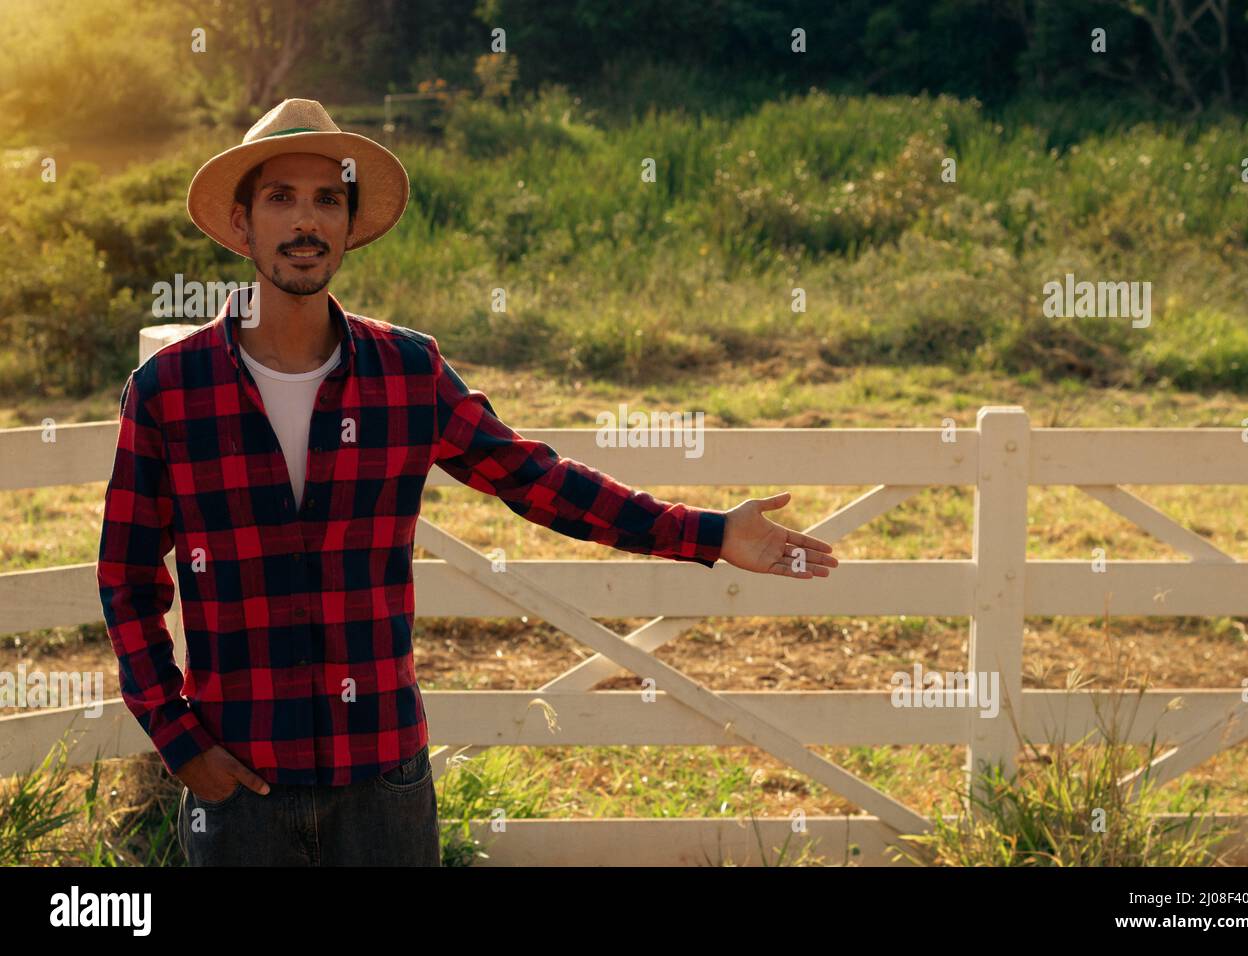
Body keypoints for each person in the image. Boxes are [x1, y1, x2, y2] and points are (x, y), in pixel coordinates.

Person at [96, 98, 837, 866]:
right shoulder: (169, 392)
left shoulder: (408, 373)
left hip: (382, 779)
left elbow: (536, 480)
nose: (305, 222)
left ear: (351, 226)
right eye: (281, 198)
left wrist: (710, 533)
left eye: (328, 200)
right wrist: (178, 740)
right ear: (244, 226)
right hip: (237, 786)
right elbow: (125, 577)